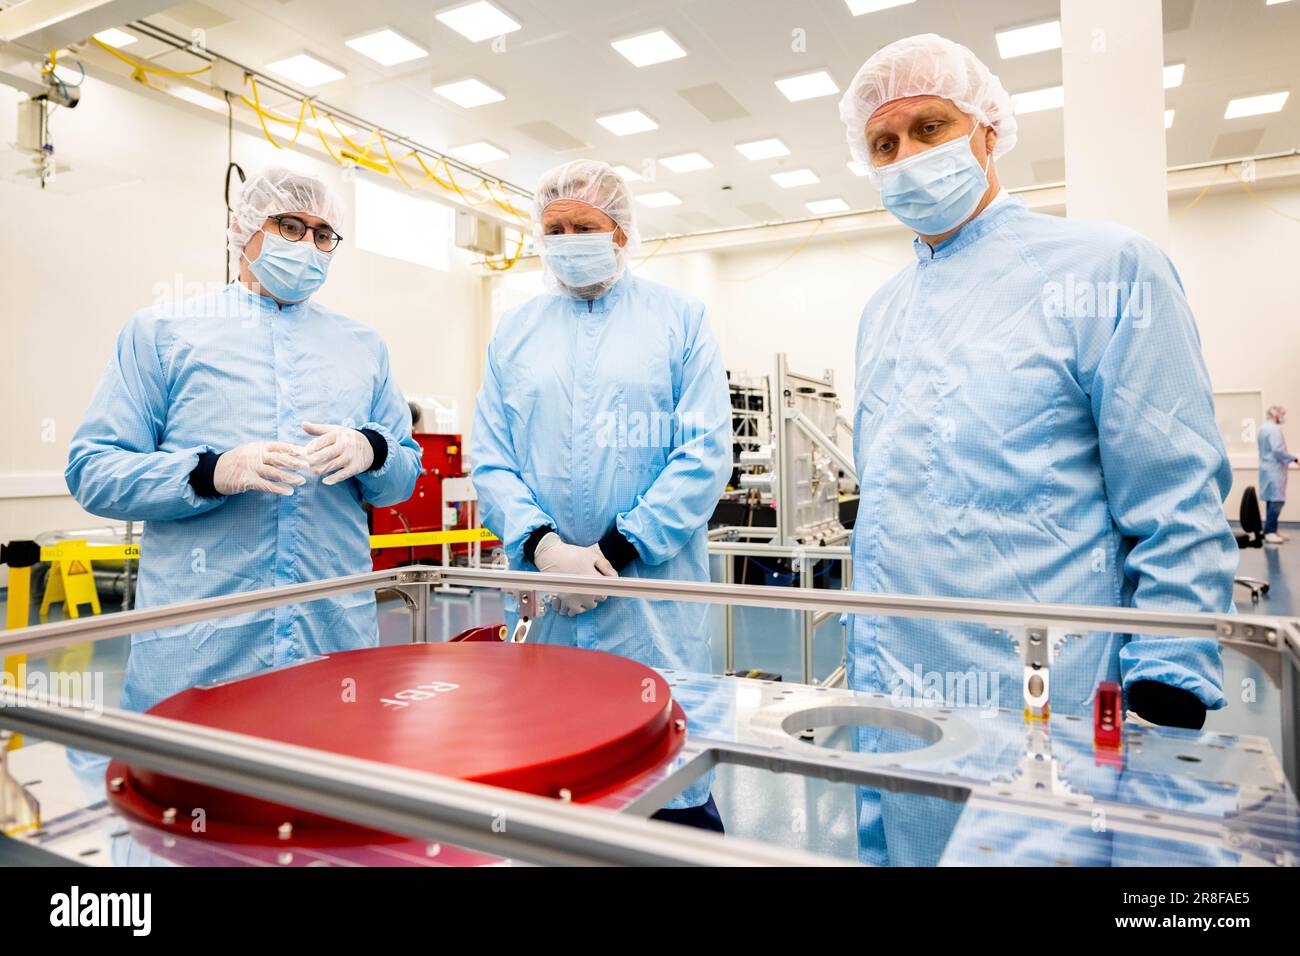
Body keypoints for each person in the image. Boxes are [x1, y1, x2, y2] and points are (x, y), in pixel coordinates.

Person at [837, 35, 1237, 864]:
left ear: (987, 131)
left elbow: (1175, 492)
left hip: (1043, 694)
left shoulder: (1106, 268)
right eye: (885, 143)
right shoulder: (882, 311)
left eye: (930, 127)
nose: (907, 156)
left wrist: (1169, 668)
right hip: (895, 690)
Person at [66, 165, 422, 713]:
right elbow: (92, 470)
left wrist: (375, 451)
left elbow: (401, 481)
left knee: (325, 790)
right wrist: (206, 473)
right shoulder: (163, 333)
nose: (307, 244)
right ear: (243, 228)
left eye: (323, 234)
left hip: (331, 643)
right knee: (192, 792)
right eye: (288, 225)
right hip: (200, 649)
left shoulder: (363, 347)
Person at [470, 159, 731, 831]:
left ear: (622, 232)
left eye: (585, 225)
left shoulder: (680, 320)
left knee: (666, 786)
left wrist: (617, 548)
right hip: (546, 599)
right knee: (557, 781)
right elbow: (491, 457)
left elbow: (702, 454)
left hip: (653, 601)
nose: (568, 238)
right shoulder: (515, 331)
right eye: (554, 227)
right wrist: (542, 546)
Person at [1259, 405, 1296, 543]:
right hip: (1274, 469)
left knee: (1272, 498)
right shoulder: (1273, 430)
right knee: (1277, 500)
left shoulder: (1263, 428)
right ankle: (1269, 532)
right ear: (1276, 415)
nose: (1283, 417)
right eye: (1282, 414)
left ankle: (1271, 530)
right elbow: (1278, 450)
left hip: (1267, 468)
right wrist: (1294, 459)